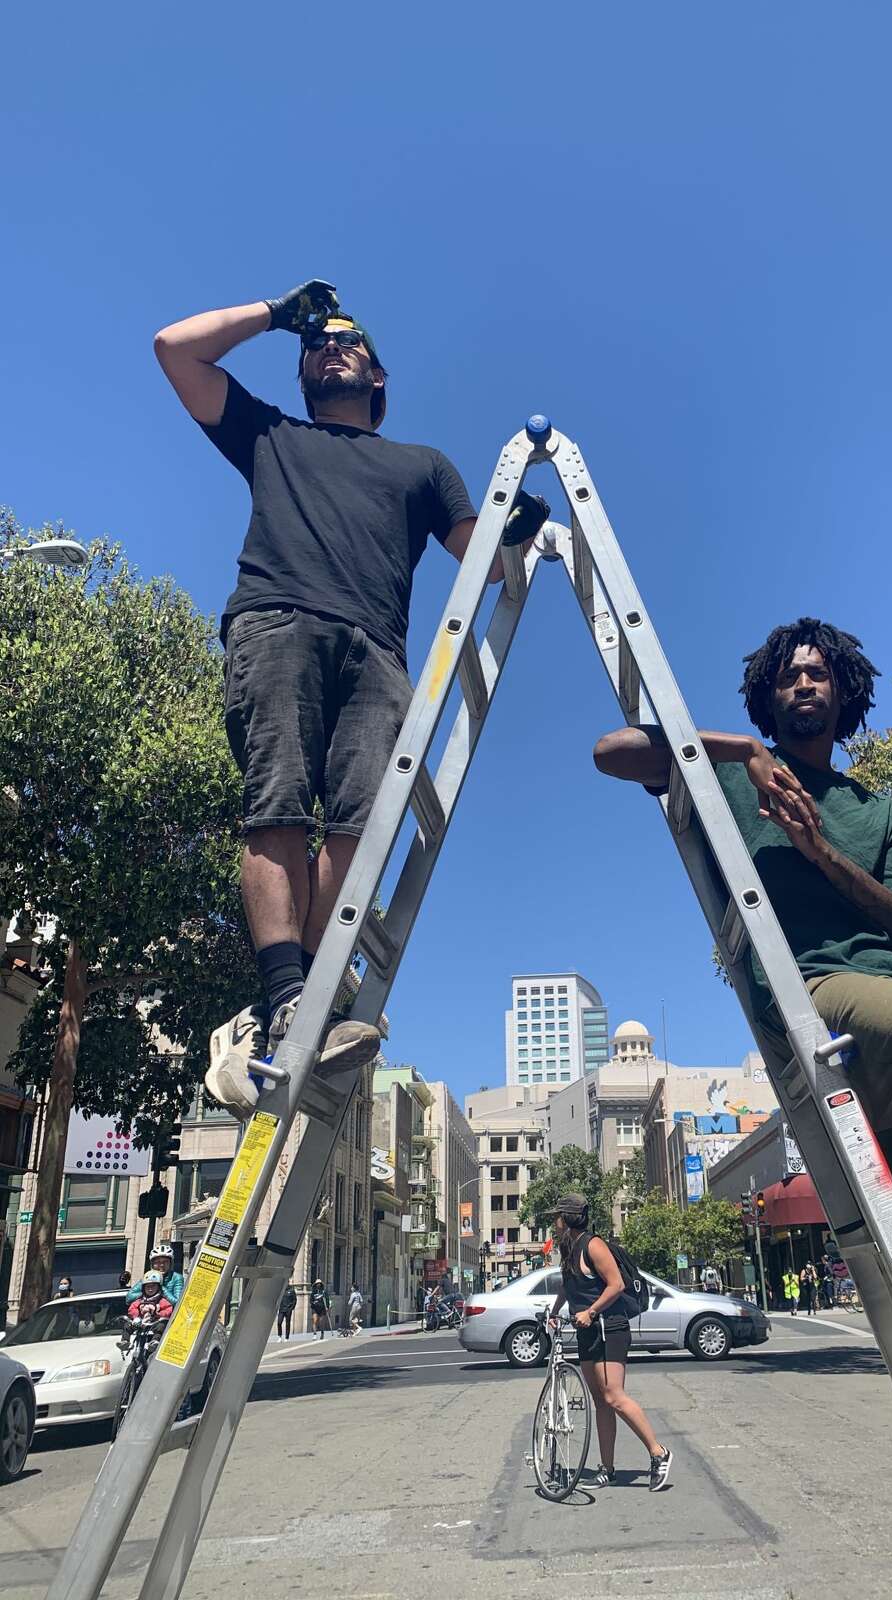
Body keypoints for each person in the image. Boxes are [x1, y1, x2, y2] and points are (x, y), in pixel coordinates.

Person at [593, 618, 892, 1415]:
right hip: (813, 993)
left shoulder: (881, 813)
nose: (803, 683)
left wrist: (820, 851)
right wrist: (741, 754)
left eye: (818, 673)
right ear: (766, 694)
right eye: (789, 674)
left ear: (845, 691)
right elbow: (613, 750)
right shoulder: (730, 779)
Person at [154, 279, 548, 1119]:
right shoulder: (270, 435)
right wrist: (275, 313)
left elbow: (480, 560)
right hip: (276, 623)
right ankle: (286, 994)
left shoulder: (422, 466)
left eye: (349, 340)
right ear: (303, 370)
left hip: (378, 651)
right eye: (317, 341)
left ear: (378, 376)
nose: (331, 345)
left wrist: (514, 534)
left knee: (361, 826)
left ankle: (304, 1000)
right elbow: (174, 349)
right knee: (278, 804)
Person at [546, 1194, 673, 1492]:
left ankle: (658, 1452)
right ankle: (607, 1469)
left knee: (614, 1396)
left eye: (558, 1216)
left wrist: (591, 1312)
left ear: (569, 1218)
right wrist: (555, 1311)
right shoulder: (568, 1247)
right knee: (600, 1401)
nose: (555, 1221)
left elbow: (616, 1284)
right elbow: (569, 1284)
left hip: (609, 1326)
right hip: (588, 1328)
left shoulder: (594, 1245)